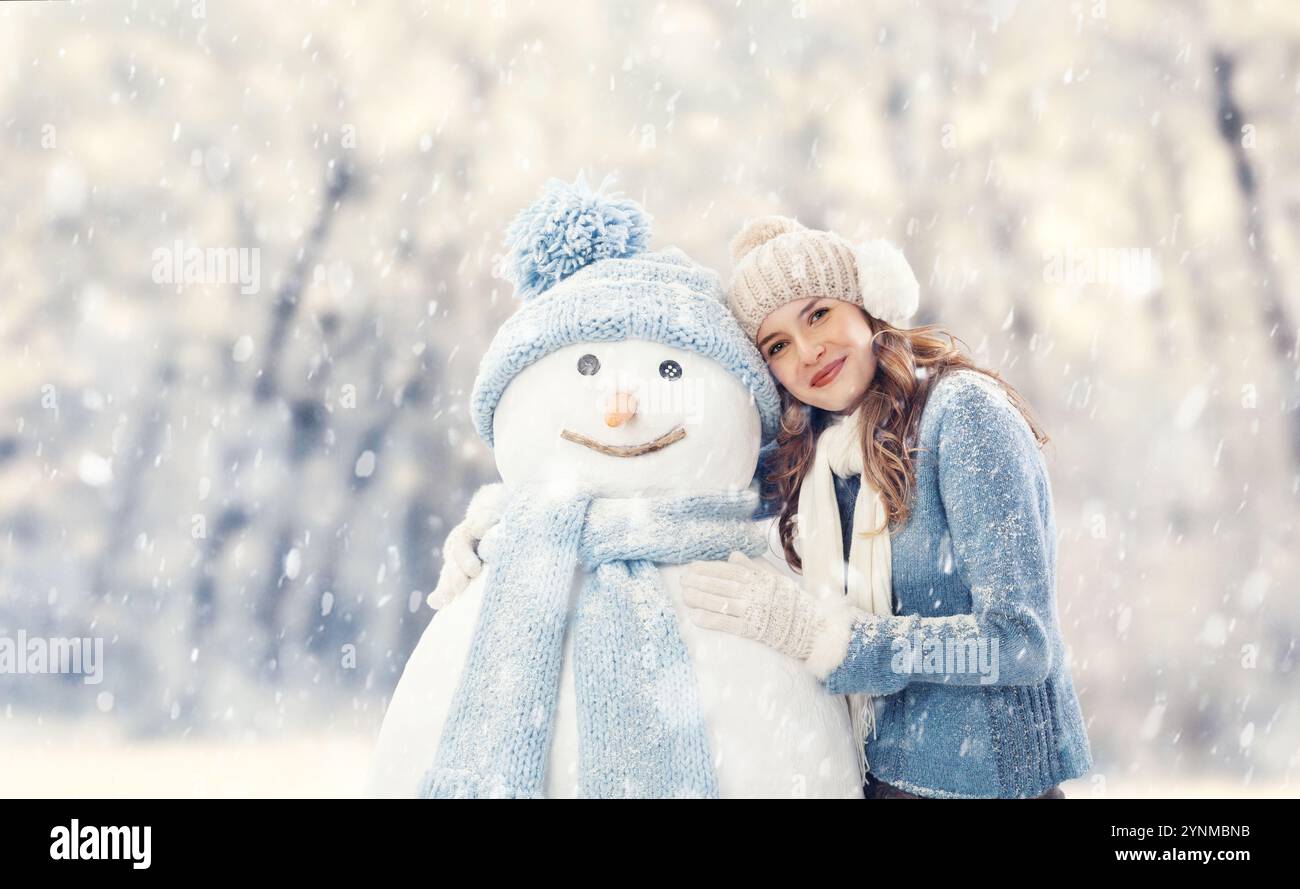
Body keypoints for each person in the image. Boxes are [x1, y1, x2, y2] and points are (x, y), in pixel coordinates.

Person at [677, 215, 1092, 798]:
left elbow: (1020, 643)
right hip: (872, 782)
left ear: (869, 303)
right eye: (777, 345)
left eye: (817, 313)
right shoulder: (813, 454)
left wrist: (829, 639)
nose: (808, 350)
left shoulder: (964, 417)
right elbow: (682, 495)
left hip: (988, 787)